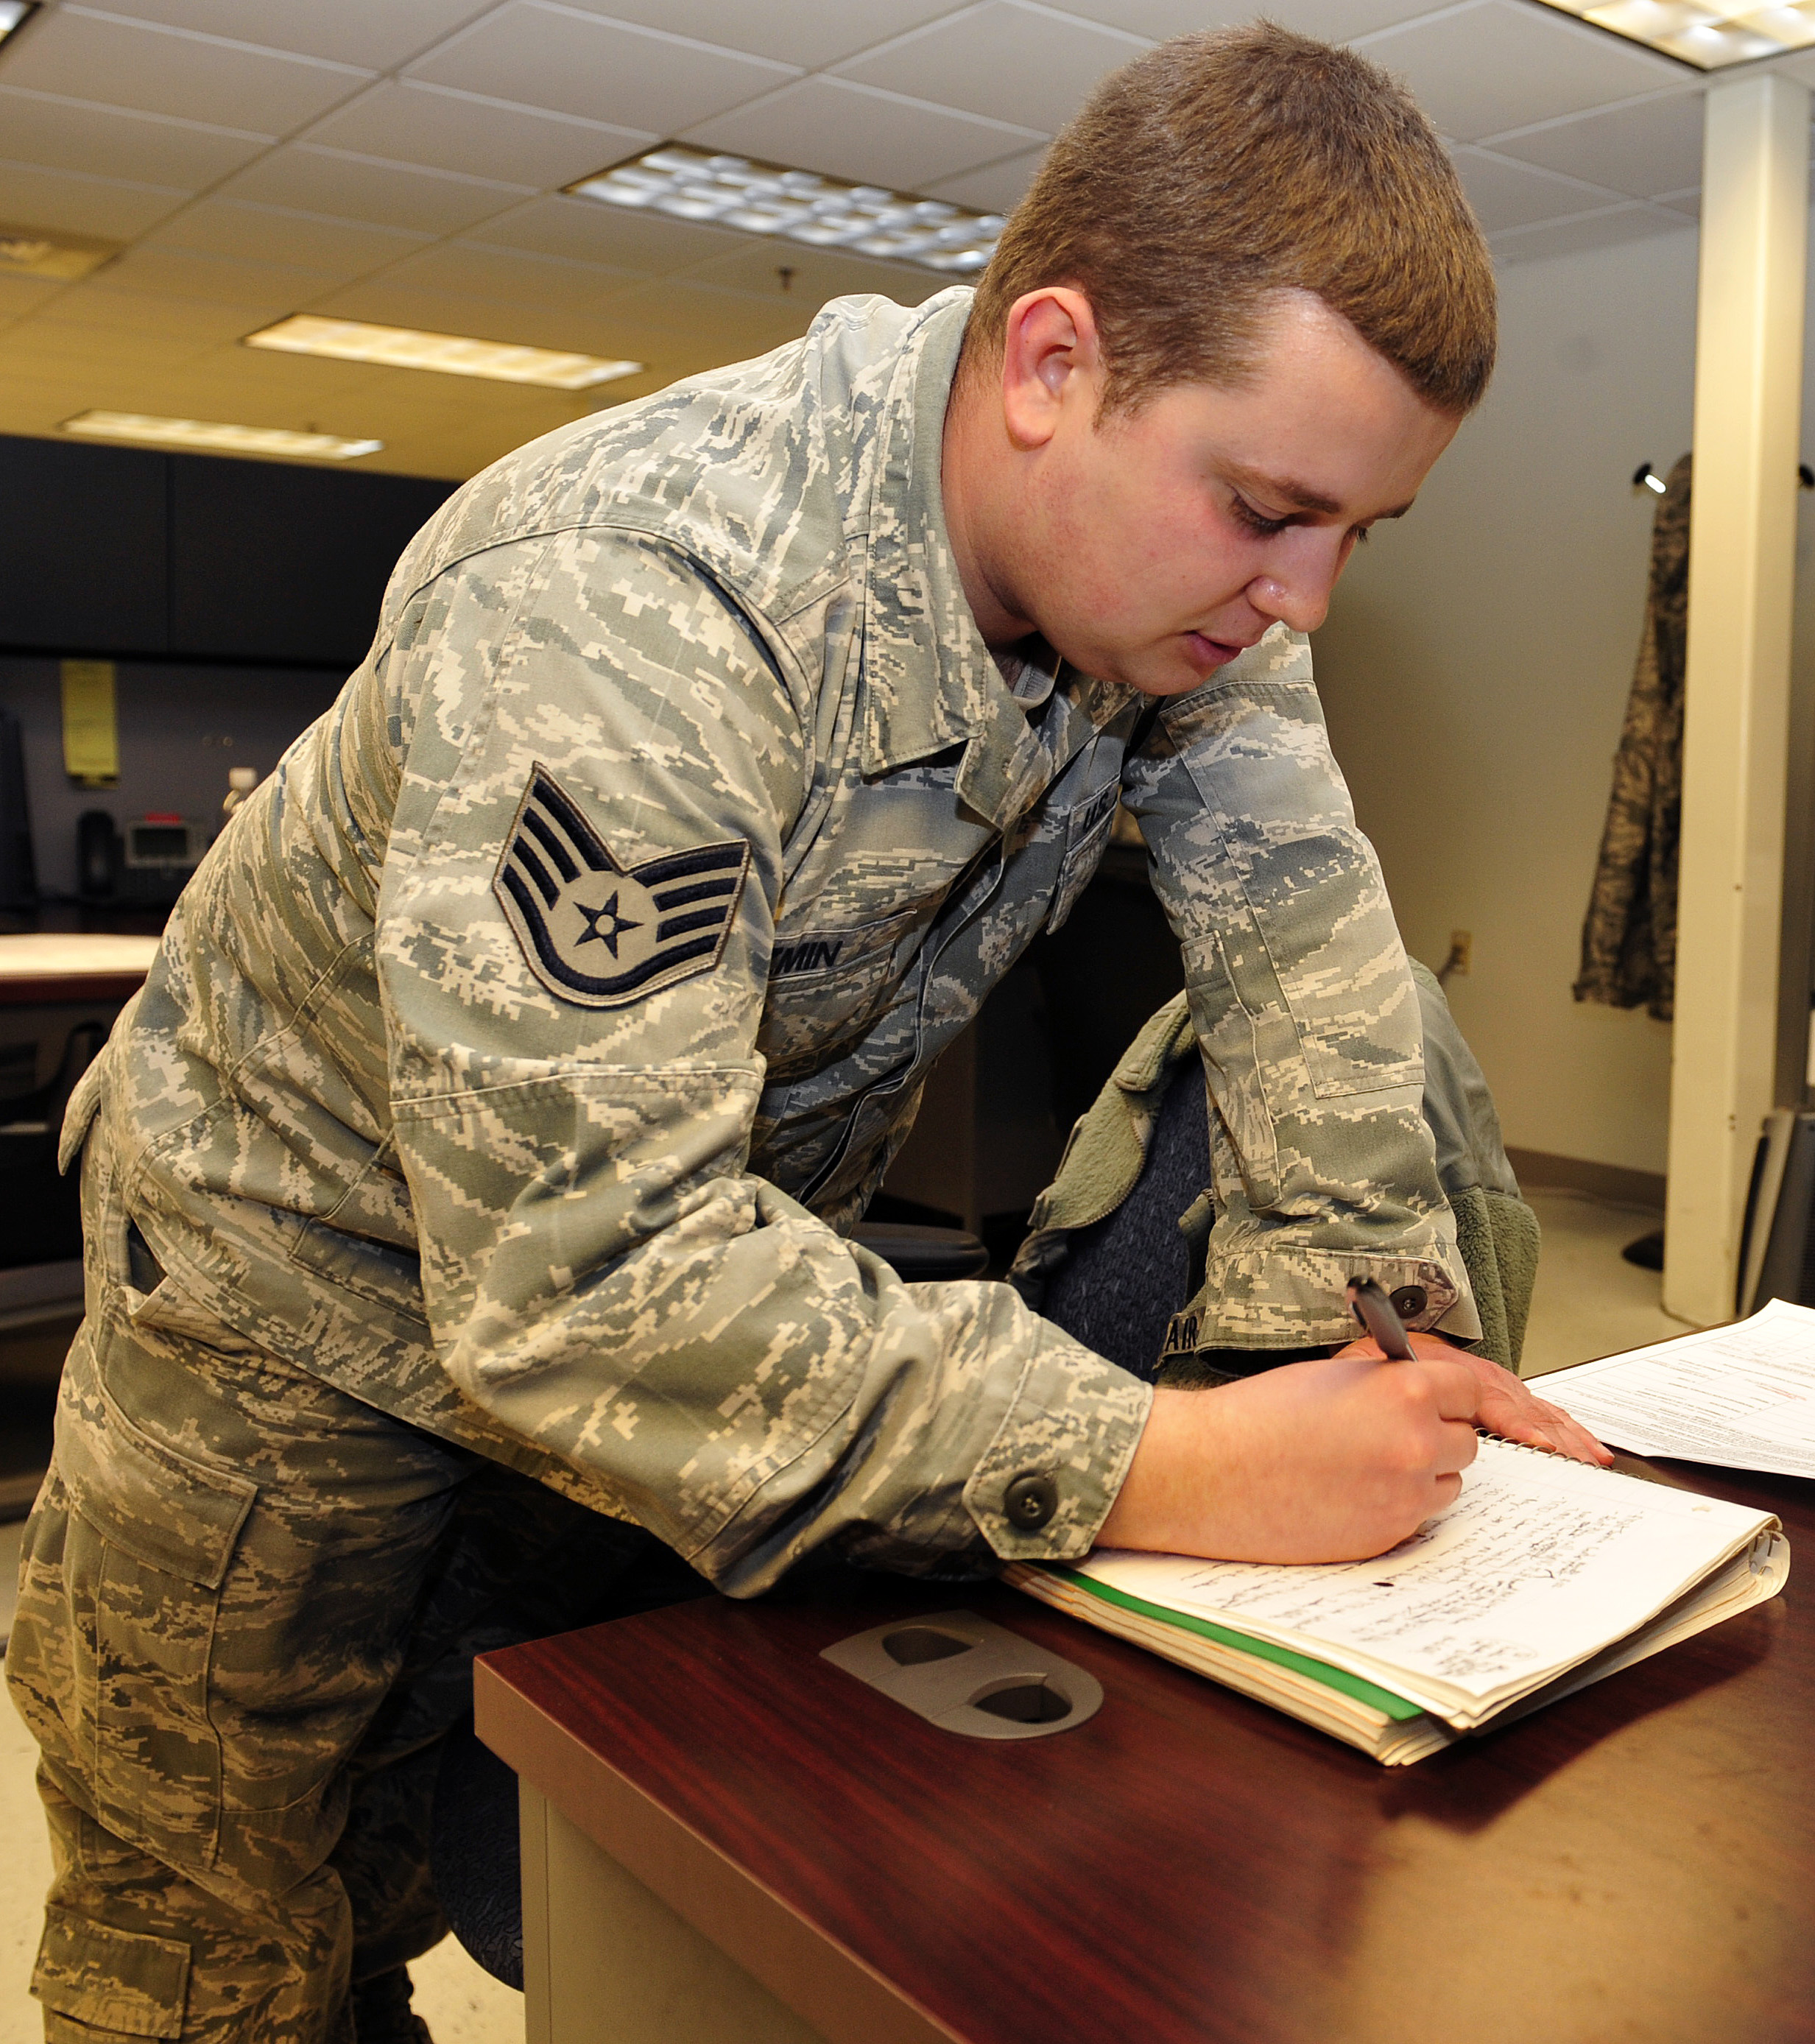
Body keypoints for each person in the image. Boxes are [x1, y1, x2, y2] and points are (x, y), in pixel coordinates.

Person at [8, 24, 1604, 2044]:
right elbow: (588, 1283)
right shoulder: (635, 606)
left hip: (670, 1279)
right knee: (233, 1953)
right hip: (288, 1321)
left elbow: (1307, 968)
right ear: (1051, 368)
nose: (1301, 600)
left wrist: (1387, 1338)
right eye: (1271, 509)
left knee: (577, 1828)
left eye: (1356, 534)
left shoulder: (1178, 588)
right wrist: (1174, 1460)